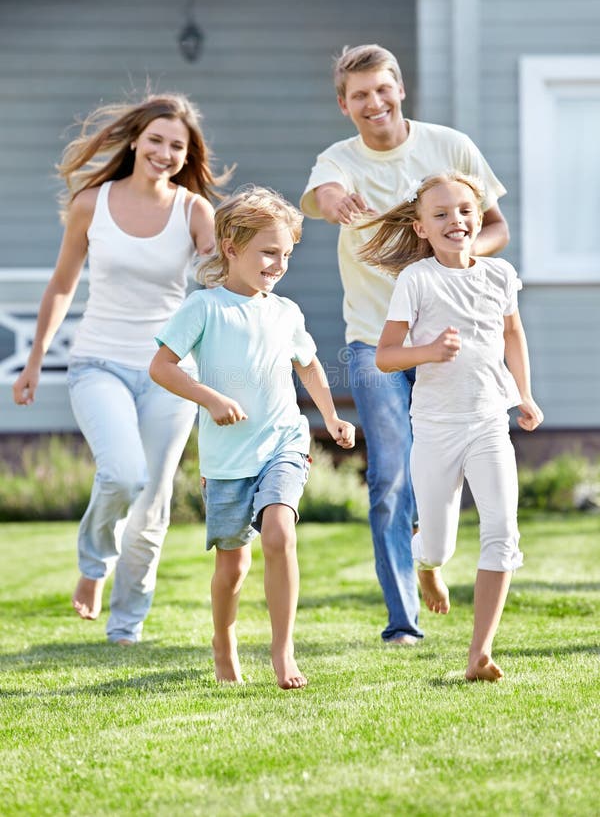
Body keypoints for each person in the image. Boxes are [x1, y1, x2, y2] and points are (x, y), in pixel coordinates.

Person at [300, 43, 510, 645]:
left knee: (448, 466)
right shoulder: (338, 161)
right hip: (374, 341)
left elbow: (495, 227)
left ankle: (430, 555)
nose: (373, 102)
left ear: (400, 88)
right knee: (391, 473)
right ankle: (403, 621)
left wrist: (457, 257)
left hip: (450, 339)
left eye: (381, 89)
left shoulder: (451, 147)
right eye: (359, 95)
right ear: (344, 105)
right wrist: (332, 199)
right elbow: (319, 196)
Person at [13, 92, 226, 644]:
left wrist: (223, 262)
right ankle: (92, 564)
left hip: (168, 371)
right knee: (123, 473)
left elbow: (214, 270)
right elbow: (62, 284)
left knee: (153, 502)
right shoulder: (93, 203)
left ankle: (125, 626)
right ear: (135, 140)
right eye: (156, 139)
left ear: (186, 155)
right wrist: (35, 358)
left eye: (177, 146)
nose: (165, 151)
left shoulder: (192, 210)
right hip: (97, 363)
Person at [149, 186, 355, 689]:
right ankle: (224, 641)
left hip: (284, 442)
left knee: (281, 532)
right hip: (227, 459)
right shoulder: (204, 308)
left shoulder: (286, 312)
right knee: (233, 568)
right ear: (231, 247)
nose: (279, 263)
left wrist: (329, 418)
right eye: (269, 251)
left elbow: (308, 368)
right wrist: (211, 399)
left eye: (286, 253)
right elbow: (161, 367)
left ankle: (283, 652)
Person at [360, 171, 543, 680]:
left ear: (479, 215)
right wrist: (430, 351)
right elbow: (385, 357)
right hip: (436, 428)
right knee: (439, 543)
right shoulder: (416, 280)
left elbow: (513, 334)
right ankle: (427, 564)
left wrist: (524, 395)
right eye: (440, 214)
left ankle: (479, 653)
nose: (455, 220)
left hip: (489, 421)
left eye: (464, 209)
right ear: (420, 228)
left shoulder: (500, 275)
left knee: (503, 532)